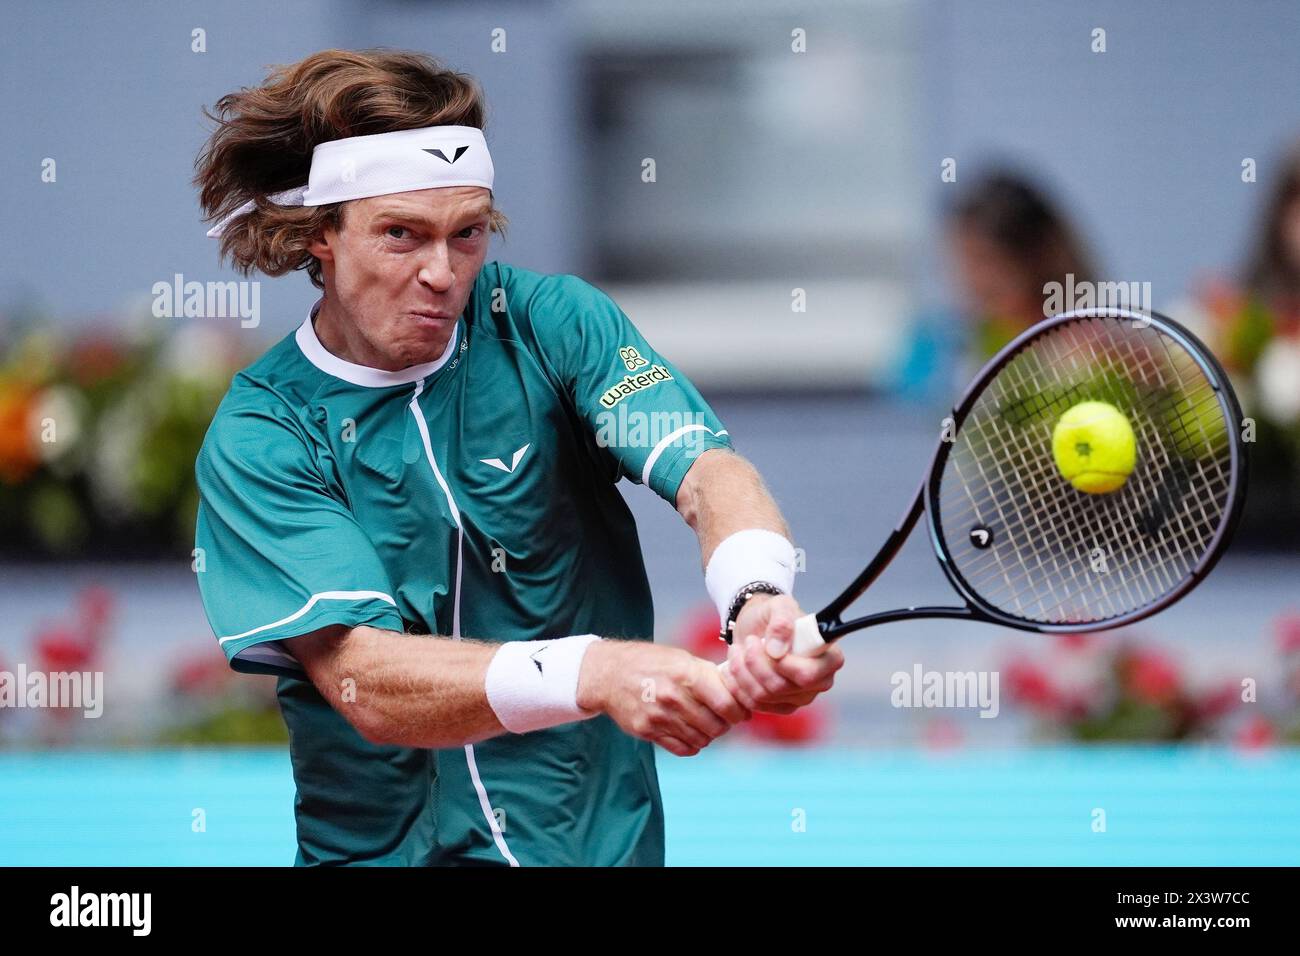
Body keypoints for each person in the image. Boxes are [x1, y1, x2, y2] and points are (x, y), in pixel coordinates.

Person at [191, 48, 843, 866]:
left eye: (467, 234)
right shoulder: (263, 432)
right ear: (320, 233)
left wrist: (758, 601)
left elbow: (710, 474)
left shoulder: (555, 322)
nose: (442, 273)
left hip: (592, 846)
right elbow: (368, 681)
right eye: (401, 234)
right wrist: (596, 671)